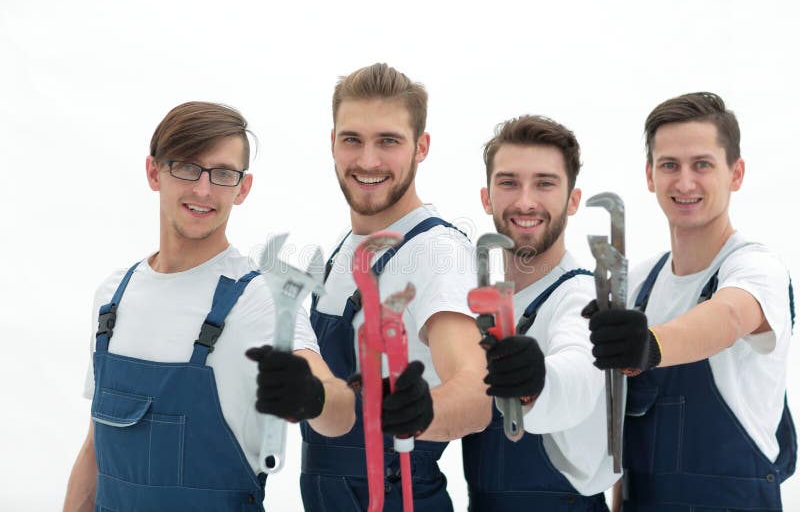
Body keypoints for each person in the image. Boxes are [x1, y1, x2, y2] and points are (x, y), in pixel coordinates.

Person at [62, 101, 355, 512]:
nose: (203, 189)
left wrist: (314, 396)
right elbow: (96, 450)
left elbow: (339, 412)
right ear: (154, 172)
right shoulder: (114, 297)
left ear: (243, 187)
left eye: (222, 174)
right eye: (186, 166)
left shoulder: (259, 299)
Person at [587, 92, 797, 510]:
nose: (684, 182)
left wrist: (649, 345)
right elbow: (624, 440)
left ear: (735, 173)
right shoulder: (640, 282)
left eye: (702, 164)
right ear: (650, 175)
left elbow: (729, 316)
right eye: (669, 165)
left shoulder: (755, 267)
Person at [298, 63, 491, 511]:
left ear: (421, 147)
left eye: (388, 141)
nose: (368, 161)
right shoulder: (345, 248)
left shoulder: (435, 252)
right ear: (332, 143)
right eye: (352, 140)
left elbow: (476, 391)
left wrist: (423, 411)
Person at [463, 115, 617, 511]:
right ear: (487, 198)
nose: (526, 201)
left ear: (573, 200)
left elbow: (581, 371)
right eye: (509, 182)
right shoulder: (486, 303)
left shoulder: (584, 295)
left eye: (545, 183)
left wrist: (538, 382)